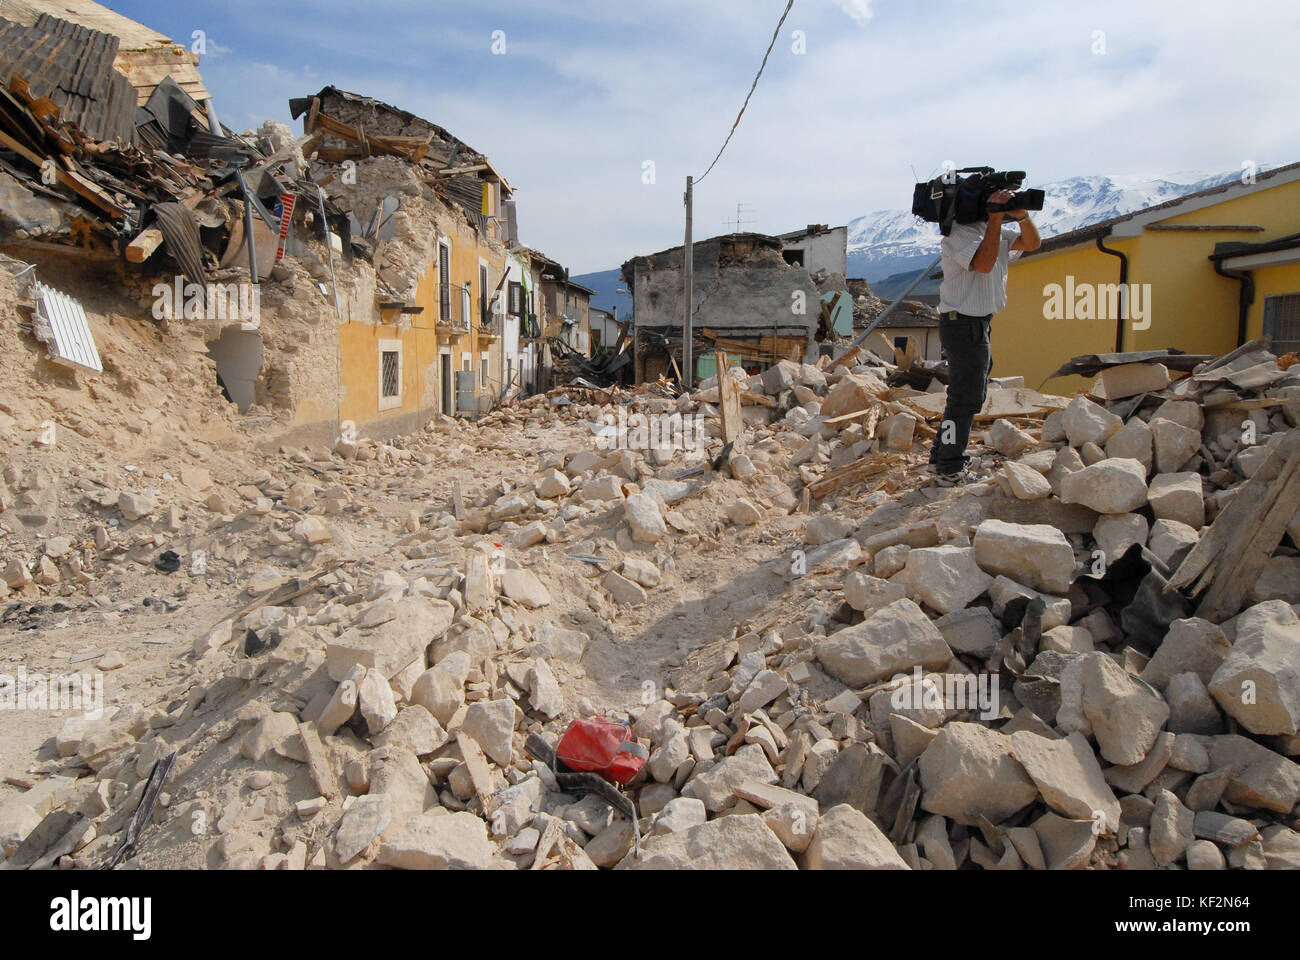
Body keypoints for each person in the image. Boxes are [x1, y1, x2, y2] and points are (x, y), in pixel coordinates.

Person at [929, 188, 1040, 484]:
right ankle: (949, 467)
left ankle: (942, 454)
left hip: (977, 324)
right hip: (962, 324)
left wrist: (1022, 217)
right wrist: (994, 219)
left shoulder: (996, 232)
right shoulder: (959, 236)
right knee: (964, 400)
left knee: (965, 396)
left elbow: (1032, 242)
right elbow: (984, 263)